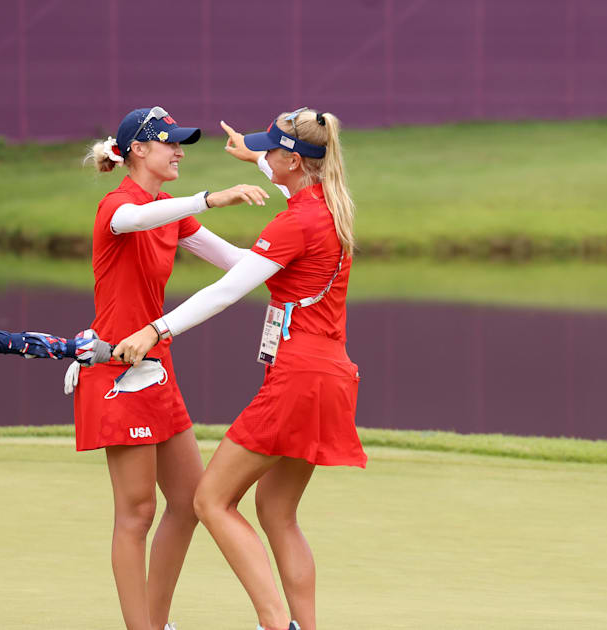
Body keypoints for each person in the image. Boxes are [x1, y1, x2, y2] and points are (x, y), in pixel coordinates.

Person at [113, 107, 364, 630]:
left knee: (211, 500)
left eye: (270, 151)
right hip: (333, 378)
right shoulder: (327, 205)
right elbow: (281, 194)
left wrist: (156, 330)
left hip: (297, 379)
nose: (264, 155)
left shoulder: (294, 223)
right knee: (277, 510)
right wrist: (258, 160)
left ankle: (275, 624)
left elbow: (227, 290)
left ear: (293, 160)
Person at [72, 106, 272, 630]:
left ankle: (157, 623)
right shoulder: (117, 206)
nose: (179, 151)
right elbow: (133, 220)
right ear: (139, 150)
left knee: (189, 502)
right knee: (136, 512)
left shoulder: (169, 211)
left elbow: (235, 262)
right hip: (117, 371)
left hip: (156, 363)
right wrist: (213, 197)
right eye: (170, 143)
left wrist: (298, 260)